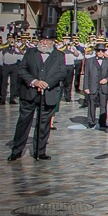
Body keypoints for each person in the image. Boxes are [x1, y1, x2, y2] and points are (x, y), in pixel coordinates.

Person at [8, 27, 66, 161]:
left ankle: (40, 151)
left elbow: (62, 73)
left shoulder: (59, 55)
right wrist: (34, 82)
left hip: (48, 94)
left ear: (53, 42)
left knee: (44, 124)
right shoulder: (30, 53)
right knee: (23, 123)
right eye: (42, 40)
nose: (44, 43)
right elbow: (21, 70)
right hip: (29, 93)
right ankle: (16, 151)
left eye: (48, 40)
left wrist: (46, 83)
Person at [84, 43, 108, 129]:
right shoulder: (89, 61)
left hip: (104, 87)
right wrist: (86, 87)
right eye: (98, 51)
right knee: (91, 104)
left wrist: (107, 79)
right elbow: (86, 75)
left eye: (102, 51)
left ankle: (102, 122)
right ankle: (91, 121)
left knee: (103, 105)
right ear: (96, 52)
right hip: (93, 86)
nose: (100, 52)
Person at [1, 39, 22, 104]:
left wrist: (17, 47)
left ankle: (12, 98)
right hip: (6, 66)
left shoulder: (16, 48)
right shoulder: (5, 48)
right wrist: (7, 45)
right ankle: (3, 99)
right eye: (10, 41)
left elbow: (22, 53)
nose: (12, 43)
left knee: (14, 83)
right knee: (4, 83)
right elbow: (2, 52)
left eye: (12, 41)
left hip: (14, 66)